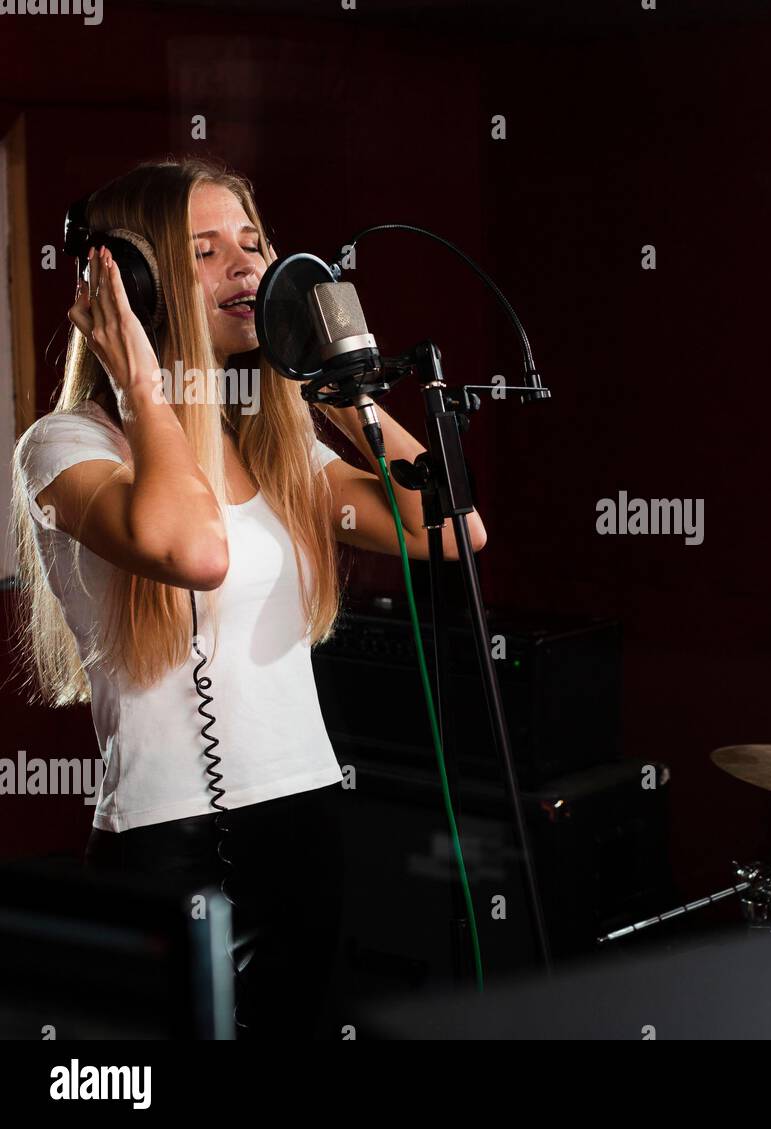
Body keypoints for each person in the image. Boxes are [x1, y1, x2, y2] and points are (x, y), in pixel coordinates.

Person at [9, 156, 487, 1037]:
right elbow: (193, 548)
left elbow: (451, 528)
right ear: (137, 279)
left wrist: (333, 379)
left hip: (305, 816)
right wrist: (145, 382)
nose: (247, 266)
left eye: (254, 243)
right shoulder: (65, 447)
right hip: (167, 837)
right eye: (206, 250)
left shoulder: (275, 449)